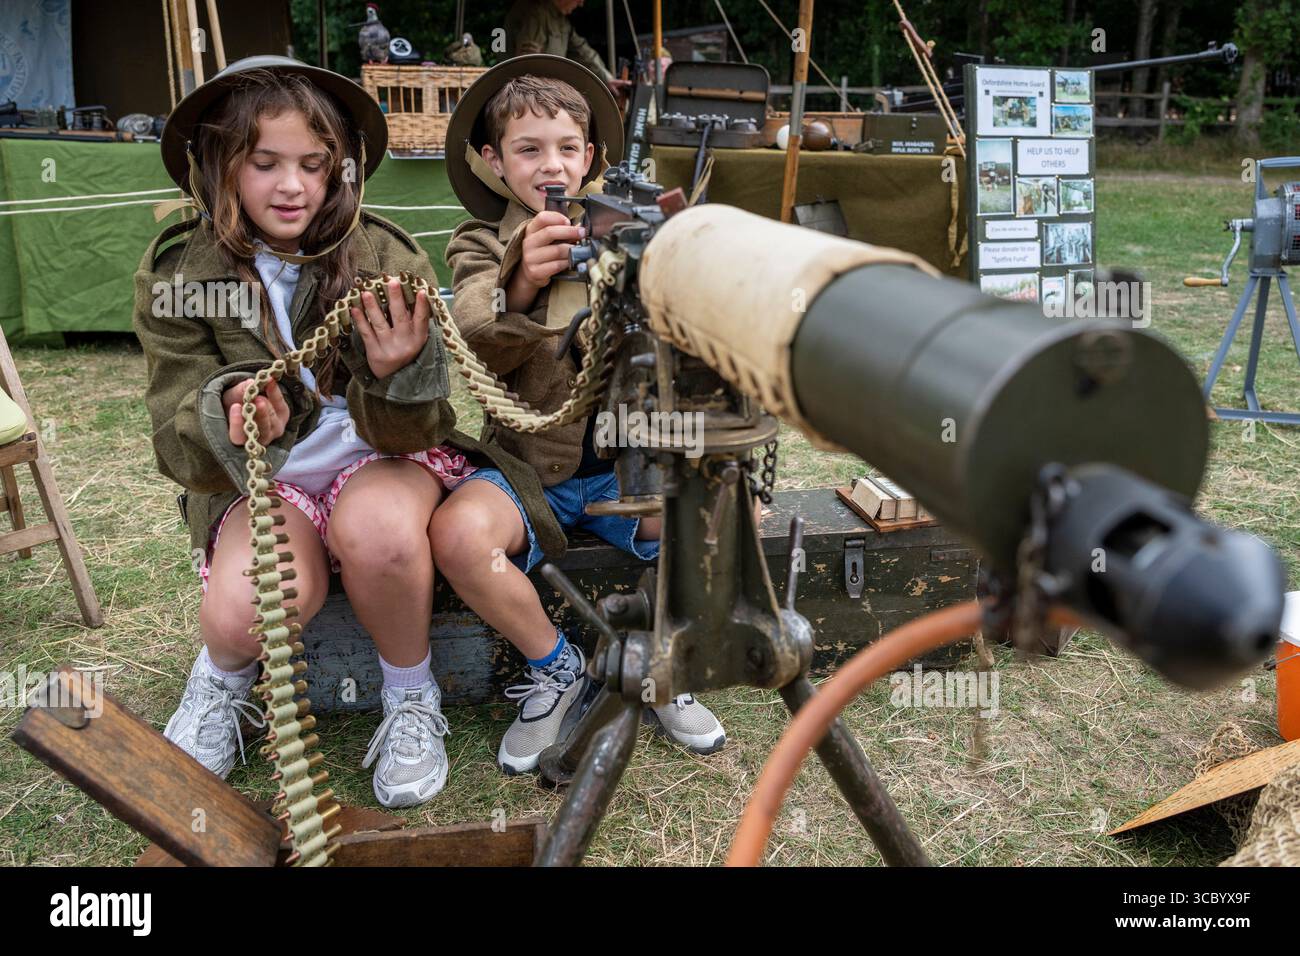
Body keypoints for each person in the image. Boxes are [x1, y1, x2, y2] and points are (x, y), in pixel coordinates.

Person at [134, 56, 562, 808]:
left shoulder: (385, 255)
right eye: (264, 163)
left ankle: (409, 695)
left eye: (312, 164)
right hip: (267, 482)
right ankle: (221, 682)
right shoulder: (180, 273)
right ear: (218, 165)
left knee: (384, 534)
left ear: (344, 172)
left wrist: (396, 374)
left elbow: (420, 427)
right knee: (245, 605)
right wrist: (230, 416)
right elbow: (177, 434)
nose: (292, 186)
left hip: (381, 461)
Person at [433, 54, 729, 775]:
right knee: (461, 534)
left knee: (707, 503)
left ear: (593, 157)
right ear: (492, 160)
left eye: (567, 147)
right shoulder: (480, 242)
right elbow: (475, 332)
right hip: (531, 472)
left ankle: (659, 660)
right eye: (527, 149)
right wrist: (523, 278)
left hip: (627, 465)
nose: (550, 166)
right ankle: (558, 668)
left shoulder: (623, 228)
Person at [505, 0, 630, 98]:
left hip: (546, 93)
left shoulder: (561, 21)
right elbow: (526, 63)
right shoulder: (535, 12)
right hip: (525, 95)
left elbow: (584, 52)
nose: (581, 3)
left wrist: (607, 78)